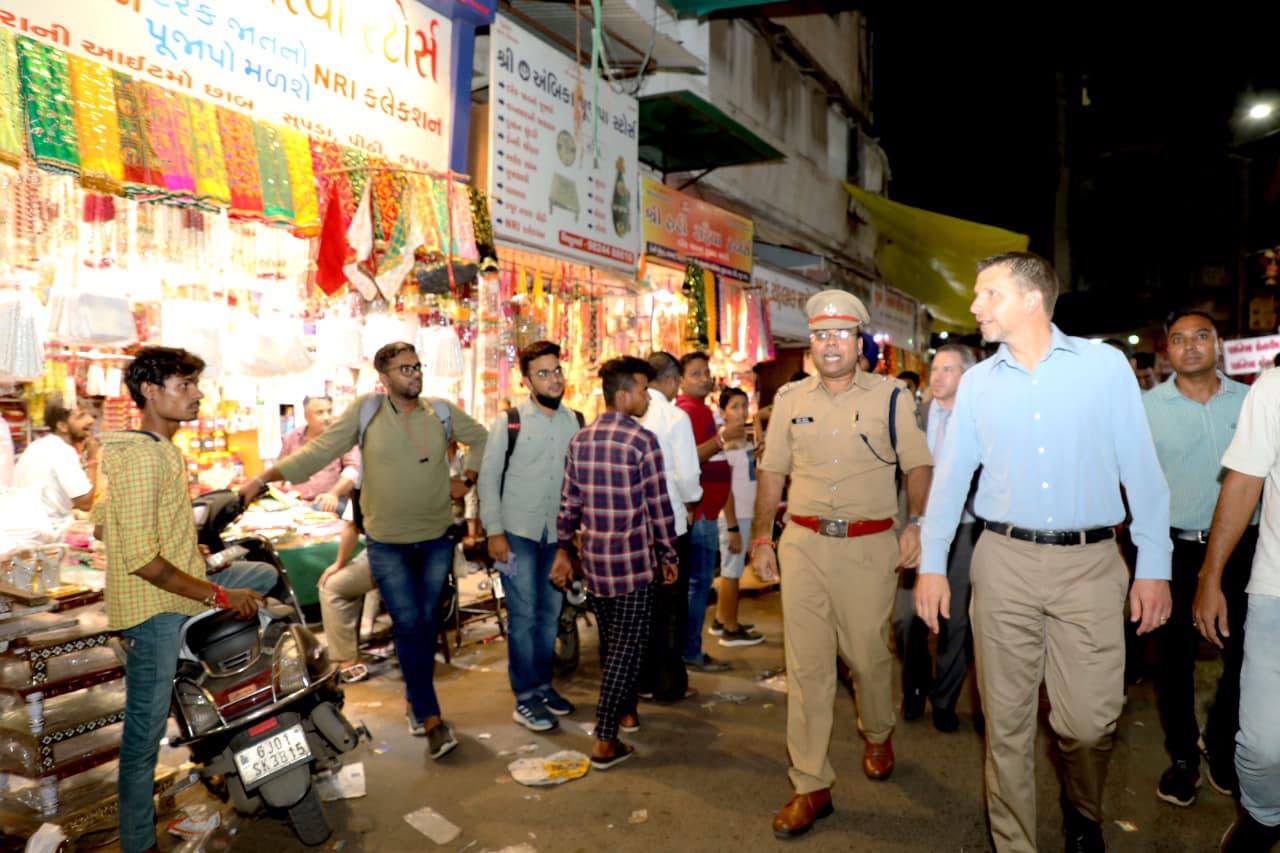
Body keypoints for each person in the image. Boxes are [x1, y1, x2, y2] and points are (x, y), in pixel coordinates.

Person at [917, 251, 1172, 853]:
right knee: (1003, 725)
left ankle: (1082, 807)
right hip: (1002, 561)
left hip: (1090, 566)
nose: (975, 306)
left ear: (1032, 299)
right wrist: (932, 565)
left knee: (1088, 725)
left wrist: (1154, 568)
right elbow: (951, 482)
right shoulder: (977, 383)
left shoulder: (1103, 368)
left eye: (988, 294)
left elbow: (1143, 473)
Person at [241, 341, 488, 761]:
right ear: (384, 378)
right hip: (387, 544)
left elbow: (482, 439)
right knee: (410, 624)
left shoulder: (441, 412)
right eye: (404, 369)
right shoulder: (367, 412)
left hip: (434, 540)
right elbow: (320, 451)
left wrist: (467, 477)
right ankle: (431, 719)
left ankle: (415, 699)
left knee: (424, 625)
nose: (414, 373)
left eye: (416, 366)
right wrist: (263, 478)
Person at [751, 290, 933, 839]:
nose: (831, 344)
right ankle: (811, 784)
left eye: (842, 334)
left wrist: (919, 522)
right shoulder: (788, 398)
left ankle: (877, 730)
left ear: (860, 342)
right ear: (811, 344)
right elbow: (773, 470)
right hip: (803, 543)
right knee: (807, 668)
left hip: (869, 545)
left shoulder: (893, 396)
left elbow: (918, 463)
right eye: (821, 335)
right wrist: (763, 536)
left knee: (868, 658)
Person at [93, 347, 276, 853]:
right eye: (185, 384)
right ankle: (137, 843)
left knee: (259, 576)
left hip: (172, 597)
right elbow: (138, 558)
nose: (197, 394)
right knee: (142, 737)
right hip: (154, 612)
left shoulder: (154, 450)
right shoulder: (142, 457)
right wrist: (217, 591)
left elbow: (104, 522)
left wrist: (182, 545)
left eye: (196, 383)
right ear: (150, 392)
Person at [1142, 311, 1255, 808]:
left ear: (1219, 344)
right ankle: (1184, 756)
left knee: (1247, 654)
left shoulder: (1251, 402)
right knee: (1174, 659)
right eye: (1179, 339)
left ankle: (1223, 740)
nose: (1190, 347)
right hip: (1174, 548)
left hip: (1245, 548)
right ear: (1167, 350)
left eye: (1201, 336)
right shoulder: (1146, 409)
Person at [550, 356, 679, 770]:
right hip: (634, 564)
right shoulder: (642, 441)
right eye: (642, 390)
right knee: (629, 647)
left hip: (596, 563)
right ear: (622, 395)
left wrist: (564, 549)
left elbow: (568, 504)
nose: (647, 397)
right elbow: (659, 507)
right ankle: (606, 737)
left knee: (612, 644)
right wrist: (669, 554)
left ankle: (626, 713)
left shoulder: (580, 440)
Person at [1191, 369, 1280, 850]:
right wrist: (1211, 576)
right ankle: (1263, 818)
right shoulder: (1274, 388)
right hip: (1275, 591)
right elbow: (1243, 485)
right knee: (1265, 748)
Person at [477, 340, 583, 732]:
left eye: (557, 371)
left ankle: (542, 686)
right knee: (522, 618)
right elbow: (488, 480)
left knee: (549, 616)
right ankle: (524, 697)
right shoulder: (509, 422)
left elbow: (577, 483)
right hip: (517, 534)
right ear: (526, 381)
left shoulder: (576, 420)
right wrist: (494, 533)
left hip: (557, 537)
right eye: (543, 373)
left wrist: (575, 536)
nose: (554, 379)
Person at [894, 343, 979, 733]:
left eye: (949, 369)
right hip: (917, 525)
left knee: (954, 620)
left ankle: (944, 699)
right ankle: (913, 687)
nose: (938, 376)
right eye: (936, 368)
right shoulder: (916, 415)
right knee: (906, 616)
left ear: (967, 376)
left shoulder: (981, 418)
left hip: (963, 528)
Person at [636, 351, 702, 702]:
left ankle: (642, 679)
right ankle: (668, 683)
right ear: (672, 379)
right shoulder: (675, 417)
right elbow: (688, 477)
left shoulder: (631, 416)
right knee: (670, 606)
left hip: (635, 527)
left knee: (642, 605)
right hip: (671, 524)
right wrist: (691, 500)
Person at [675, 351, 744, 673]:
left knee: (700, 585)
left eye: (706, 372)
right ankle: (690, 651)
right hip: (699, 514)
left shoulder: (701, 410)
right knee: (697, 586)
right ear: (680, 381)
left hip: (707, 513)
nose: (704, 378)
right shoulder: (687, 411)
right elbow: (690, 460)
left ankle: (690, 648)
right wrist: (722, 439)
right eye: (696, 374)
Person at [714, 387, 764, 647]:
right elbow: (724, 487)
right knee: (731, 572)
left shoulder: (741, 439)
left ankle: (723, 619)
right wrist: (732, 524)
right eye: (734, 406)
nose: (741, 411)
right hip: (734, 516)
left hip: (743, 514)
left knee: (731, 569)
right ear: (722, 412)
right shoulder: (724, 441)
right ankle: (731, 629)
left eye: (744, 406)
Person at [316, 496, 378, 684]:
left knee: (332, 586)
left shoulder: (367, 476)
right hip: (433, 547)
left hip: (393, 553)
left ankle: (348, 659)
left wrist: (339, 563)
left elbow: (352, 526)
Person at [14, 400, 98, 535]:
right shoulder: (62, 451)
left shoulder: (37, 446)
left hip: (29, 531)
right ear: (62, 426)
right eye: (81, 416)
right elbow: (85, 503)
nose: (90, 420)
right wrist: (93, 460)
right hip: (50, 534)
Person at [276, 395, 359, 513]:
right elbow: (280, 472)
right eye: (319, 413)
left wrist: (333, 493)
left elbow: (352, 471)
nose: (326, 417)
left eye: (329, 411)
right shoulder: (291, 438)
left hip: (332, 500)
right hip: (298, 502)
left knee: (317, 508)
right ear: (306, 416)